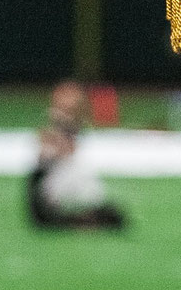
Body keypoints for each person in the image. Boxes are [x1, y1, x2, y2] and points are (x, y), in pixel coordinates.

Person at [26, 81, 126, 231]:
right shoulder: (54, 127)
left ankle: (84, 219)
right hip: (50, 193)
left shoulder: (70, 127)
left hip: (58, 192)